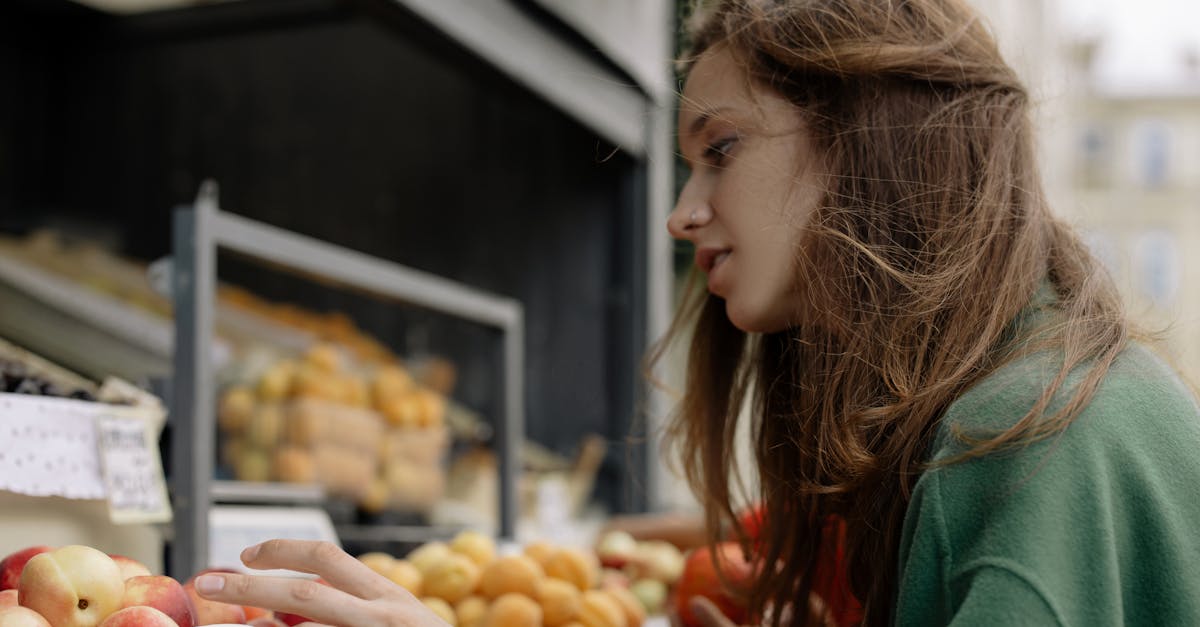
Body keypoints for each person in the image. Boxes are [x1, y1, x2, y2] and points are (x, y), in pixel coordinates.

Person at [194, 0, 1200, 625]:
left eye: (720, 150)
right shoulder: (1028, 398)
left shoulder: (1027, 441)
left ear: (871, 144)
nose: (681, 215)